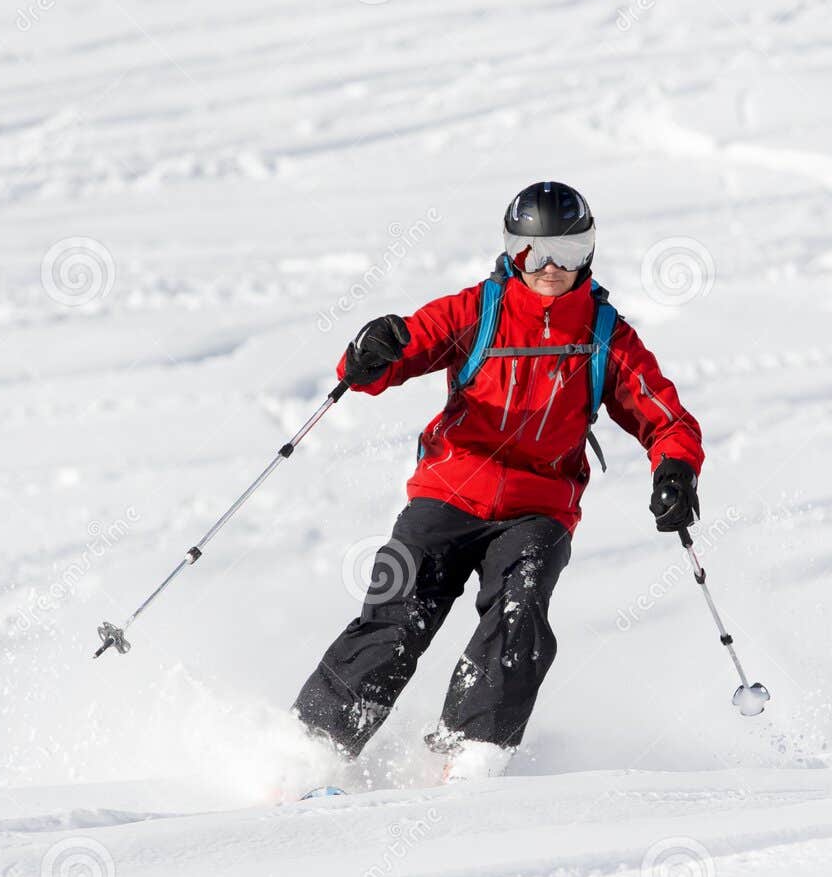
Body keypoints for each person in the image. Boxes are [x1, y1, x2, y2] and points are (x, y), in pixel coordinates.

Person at [293, 182, 704, 780]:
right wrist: (373, 352)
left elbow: (665, 418)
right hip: (449, 491)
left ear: (589, 251)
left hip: (538, 509)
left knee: (519, 613)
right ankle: (315, 747)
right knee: (398, 606)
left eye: (567, 251)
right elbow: (404, 347)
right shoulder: (478, 311)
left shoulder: (604, 334)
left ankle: (469, 753)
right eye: (532, 252)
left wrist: (675, 468)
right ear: (512, 251)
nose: (549, 267)